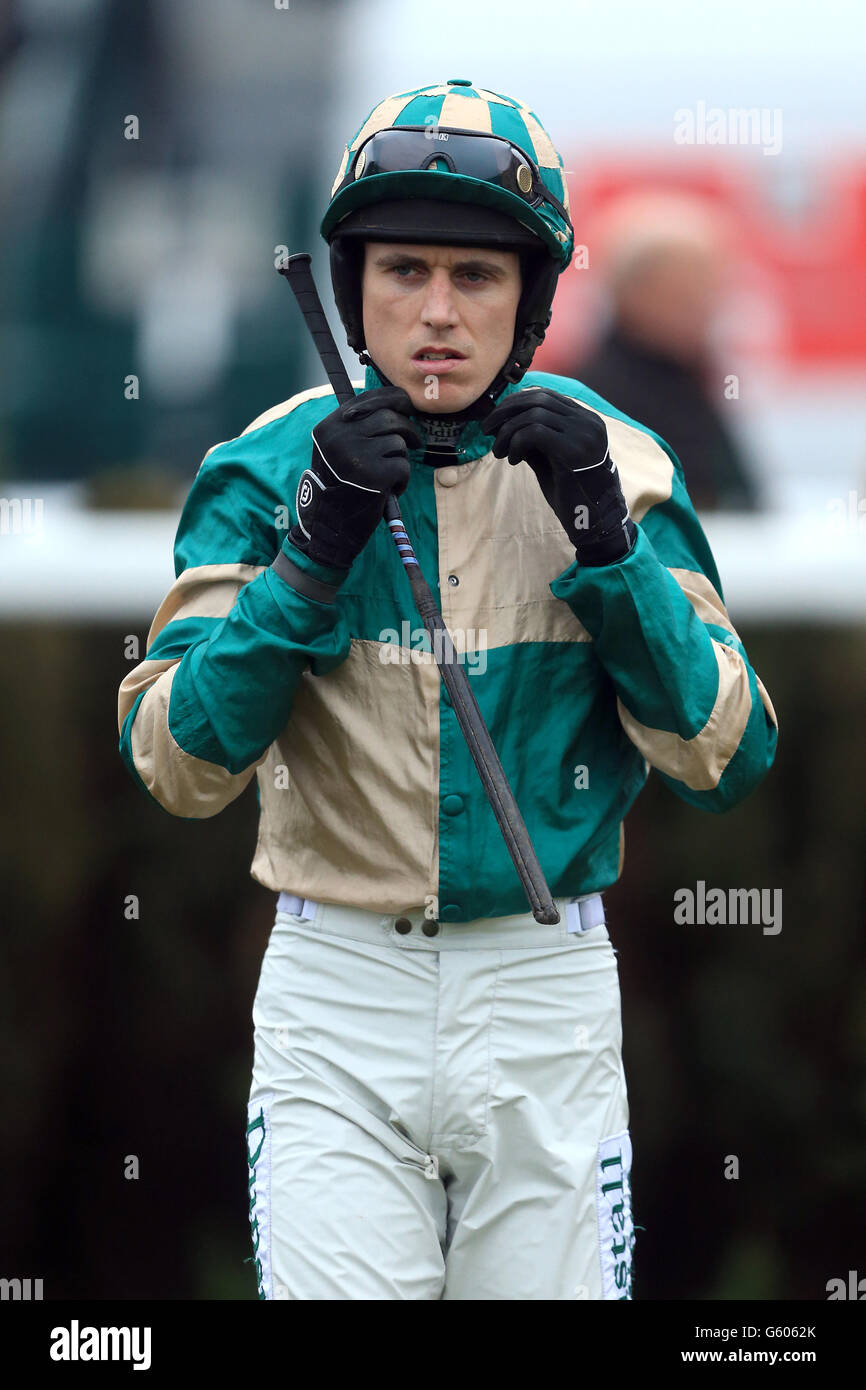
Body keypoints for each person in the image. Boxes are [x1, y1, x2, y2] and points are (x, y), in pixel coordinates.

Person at [116, 80, 778, 1301]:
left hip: (545, 997)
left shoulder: (619, 463)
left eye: (474, 277)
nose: (433, 312)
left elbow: (725, 753)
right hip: (335, 991)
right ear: (350, 281)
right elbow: (176, 760)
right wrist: (307, 558)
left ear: (529, 299)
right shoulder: (261, 467)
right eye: (402, 270)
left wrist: (607, 553)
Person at [575, 192, 762, 511]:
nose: (709, 306)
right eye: (689, 289)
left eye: (713, 287)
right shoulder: (601, 397)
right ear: (634, 292)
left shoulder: (688, 377)